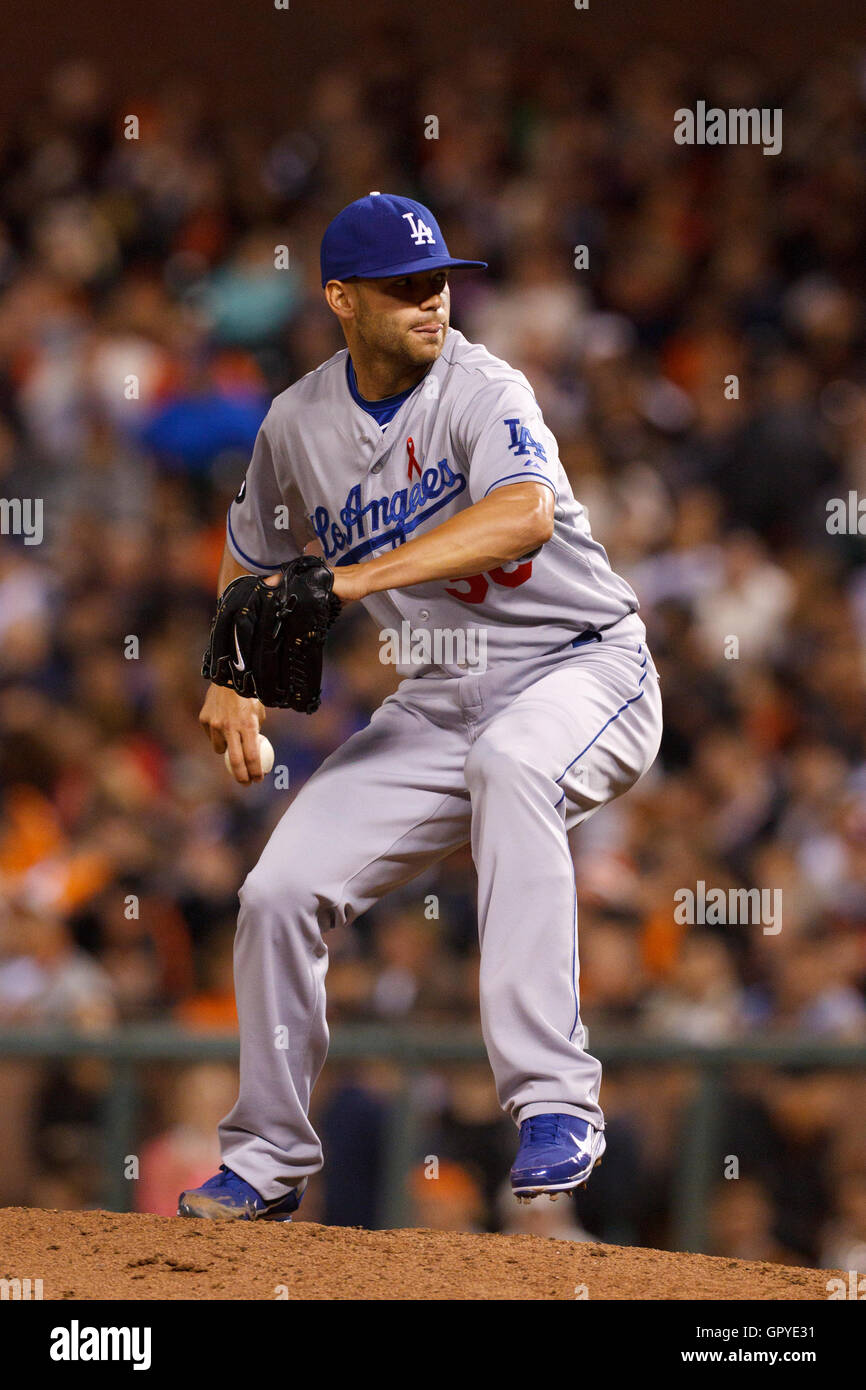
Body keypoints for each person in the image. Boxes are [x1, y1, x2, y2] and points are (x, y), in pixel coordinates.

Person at [179, 194, 663, 1222]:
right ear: (339, 299)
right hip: (441, 700)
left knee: (512, 767)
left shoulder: (481, 389)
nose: (428, 301)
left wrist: (352, 582)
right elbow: (255, 553)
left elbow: (521, 512)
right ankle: (266, 1156)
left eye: (436, 280)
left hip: (581, 667)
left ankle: (553, 1102)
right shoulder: (298, 422)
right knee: (276, 891)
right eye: (402, 287)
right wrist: (228, 675)